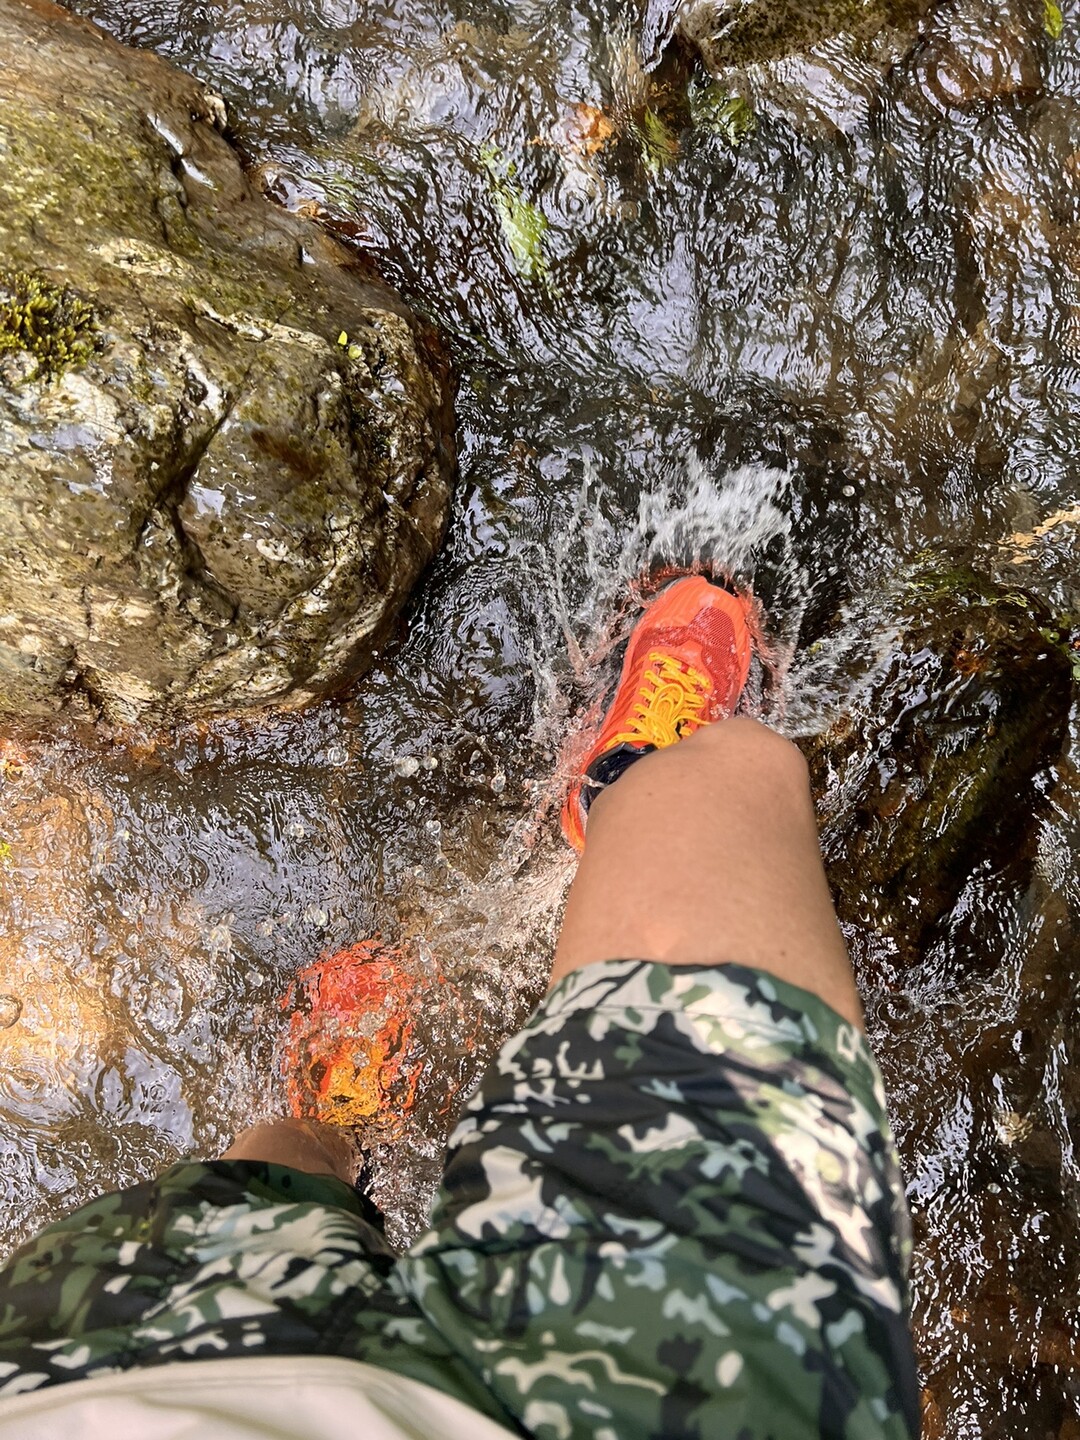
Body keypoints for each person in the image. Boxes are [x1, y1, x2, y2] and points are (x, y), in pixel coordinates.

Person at [0, 575, 919, 1438]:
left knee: (253, 1195)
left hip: (123, 1387)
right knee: (733, 781)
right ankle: (630, 786)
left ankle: (333, 1127)